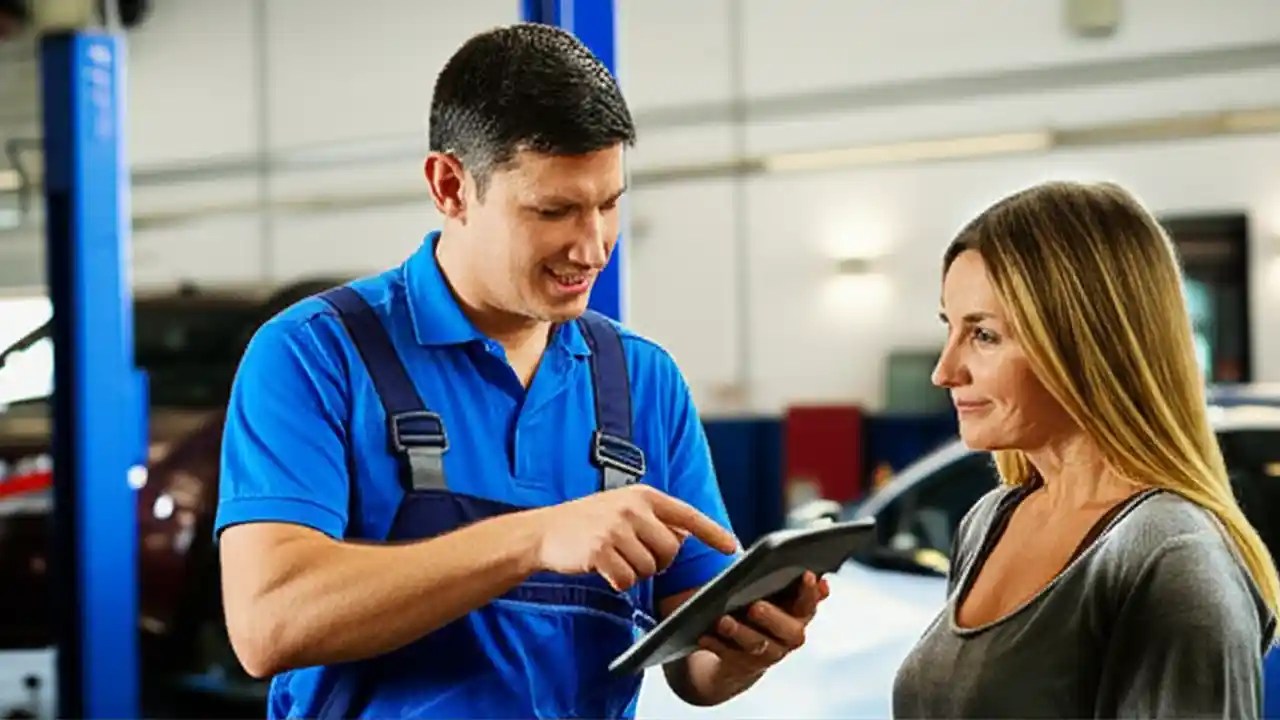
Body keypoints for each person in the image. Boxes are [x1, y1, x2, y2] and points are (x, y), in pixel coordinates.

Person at [213, 22, 828, 720]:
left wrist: (747, 647)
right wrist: (535, 539)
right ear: (450, 186)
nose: (593, 247)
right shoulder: (316, 355)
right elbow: (269, 623)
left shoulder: (642, 381)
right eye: (554, 210)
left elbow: (696, 664)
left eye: (609, 203)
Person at [892, 180, 1279, 718]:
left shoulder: (1172, 557)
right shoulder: (990, 521)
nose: (944, 371)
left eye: (984, 335)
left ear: (1085, 341)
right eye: (950, 328)